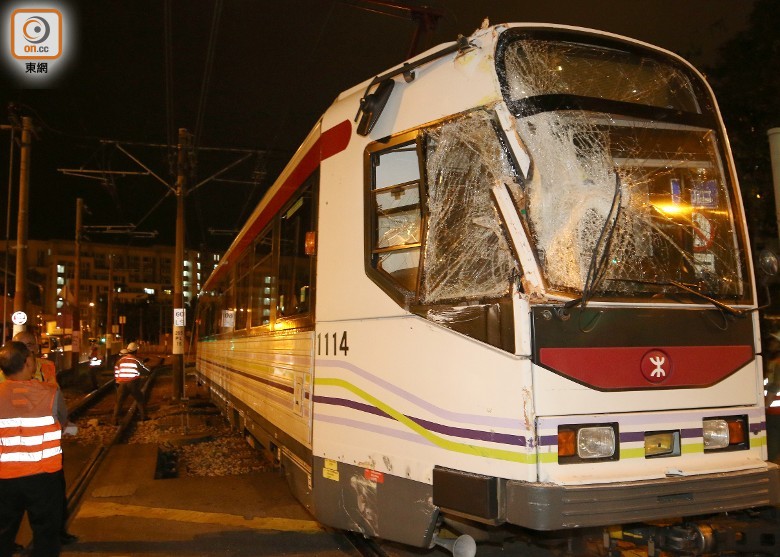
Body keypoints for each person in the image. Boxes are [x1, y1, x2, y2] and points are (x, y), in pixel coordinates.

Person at [3, 333, 77, 547]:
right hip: (43, 475)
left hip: (3, 476)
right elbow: (63, 420)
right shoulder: (51, 394)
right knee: (46, 535)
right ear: (27, 362)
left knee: (3, 532)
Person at [112, 342, 151, 424]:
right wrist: (147, 366)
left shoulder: (120, 360)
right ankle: (143, 417)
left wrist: (117, 381)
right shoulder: (136, 360)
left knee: (119, 401)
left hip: (122, 383)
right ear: (136, 351)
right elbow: (146, 370)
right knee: (140, 399)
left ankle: (115, 420)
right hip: (133, 383)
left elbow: (117, 370)